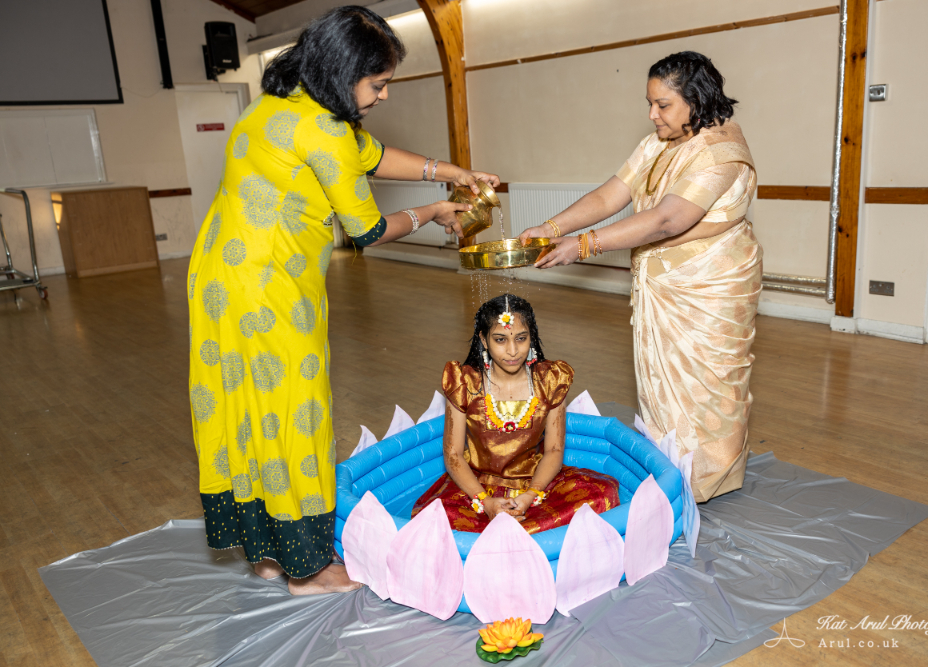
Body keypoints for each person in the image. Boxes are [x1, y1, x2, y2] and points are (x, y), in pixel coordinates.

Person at [187, 6, 499, 595]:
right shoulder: (326, 130)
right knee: (296, 416)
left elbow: (373, 156)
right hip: (271, 288)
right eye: (376, 83)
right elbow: (369, 230)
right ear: (343, 71)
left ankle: (269, 555)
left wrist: (451, 171)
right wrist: (434, 211)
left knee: (251, 413)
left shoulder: (281, 106)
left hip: (219, 282)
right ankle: (308, 568)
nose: (381, 97)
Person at [519, 51, 762, 503]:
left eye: (663, 105)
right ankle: (669, 470)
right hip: (661, 284)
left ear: (696, 100)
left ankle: (702, 479)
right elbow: (614, 192)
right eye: (649, 103)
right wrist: (552, 228)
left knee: (705, 389)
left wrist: (586, 245)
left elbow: (668, 220)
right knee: (660, 384)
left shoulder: (719, 154)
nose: (652, 115)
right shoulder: (659, 142)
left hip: (708, 289)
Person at [411, 294, 620, 533]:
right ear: (484, 340)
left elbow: (553, 450)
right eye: (500, 340)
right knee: (434, 519)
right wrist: (485, 502)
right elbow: (453, 455)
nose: (512, 351)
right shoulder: (465, 382)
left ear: (532, 337)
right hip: (476, 485)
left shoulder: (549, 380)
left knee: (601, 494)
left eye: (521, 339)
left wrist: (531, 495)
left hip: (535, 482)